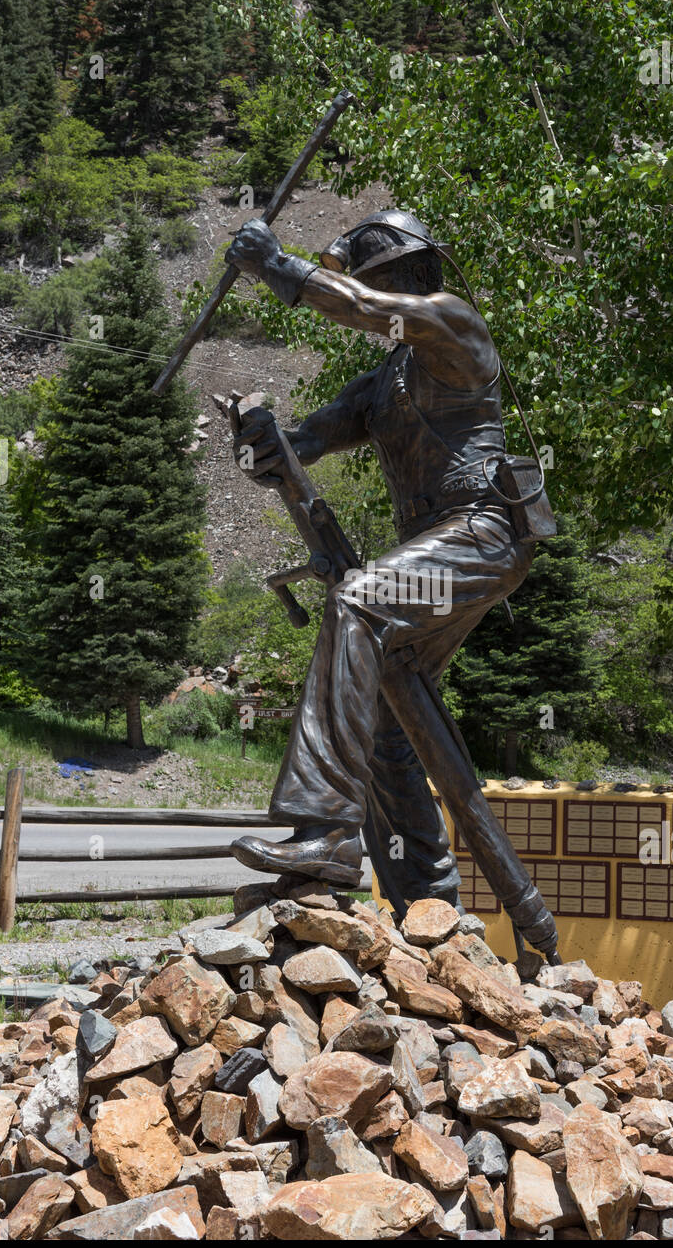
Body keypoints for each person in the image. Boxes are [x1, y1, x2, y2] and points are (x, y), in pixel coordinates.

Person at [225, 210, 534, 908]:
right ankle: (428, 903)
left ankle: (326, 829)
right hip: (434, 552)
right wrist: (260, 441)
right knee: (387, 708)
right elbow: (299, 447)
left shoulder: (453, 324)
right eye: (378, 283)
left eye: (390, 280)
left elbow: (364, 308)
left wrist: (276, 265)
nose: (384, 294)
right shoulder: (381, 384)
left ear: (420, 275)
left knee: (358, 600)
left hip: (484, 530)